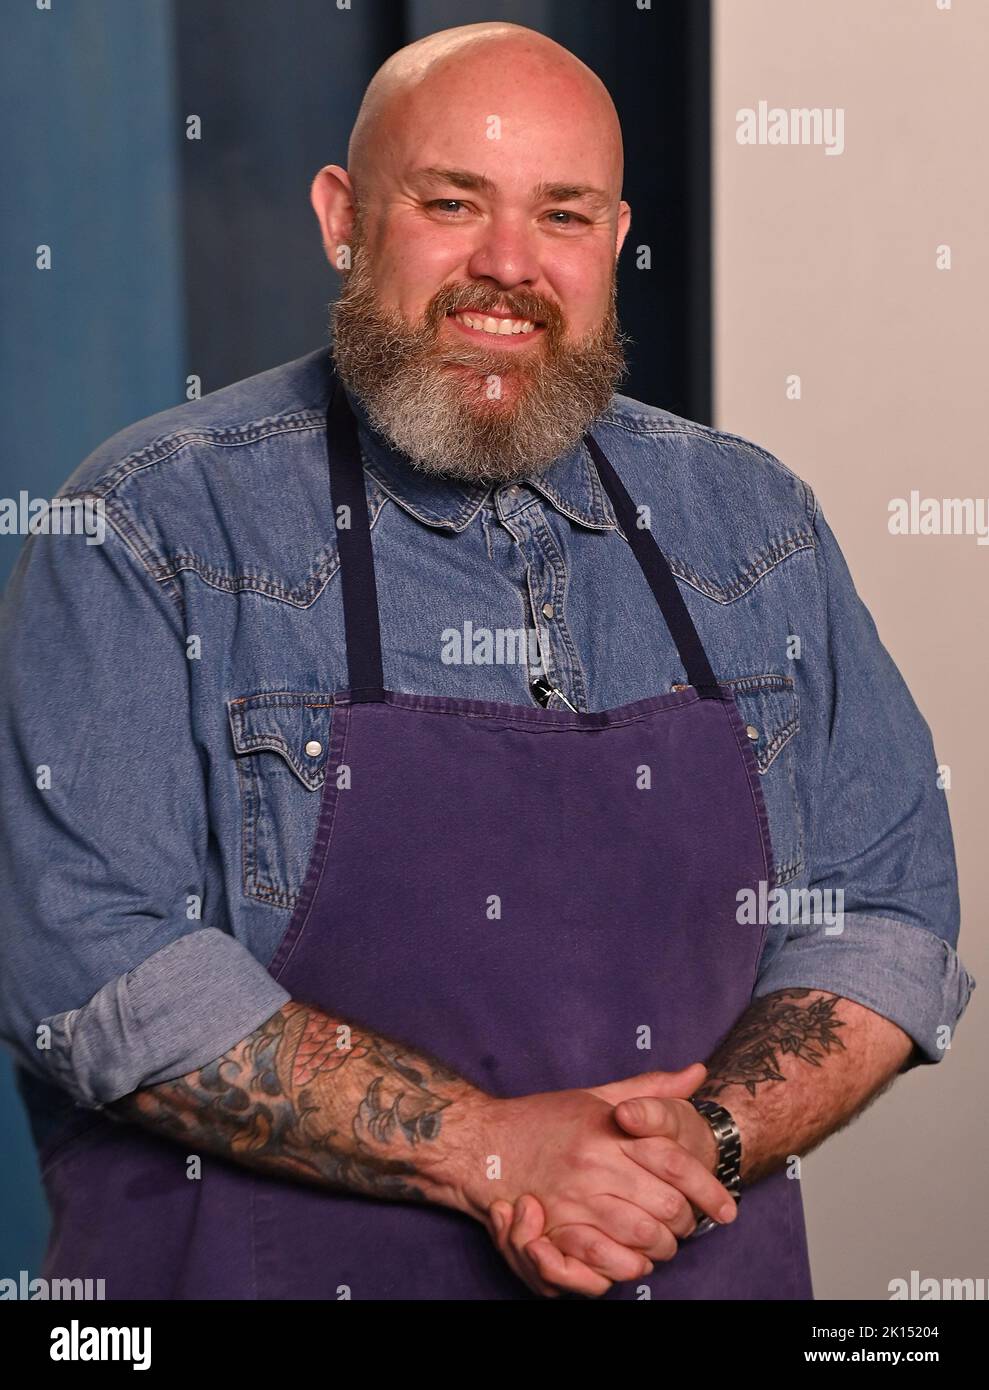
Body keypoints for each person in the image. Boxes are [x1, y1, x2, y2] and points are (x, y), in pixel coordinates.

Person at [0, 21, 974, 1300]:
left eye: (560, 216)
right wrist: (490, 1151)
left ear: (615, 238)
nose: (505, 267)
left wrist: (699, 1141)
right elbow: (87, 960)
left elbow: (885, 912)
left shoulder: (754, 527)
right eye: (451, 202)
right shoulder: (150, 527)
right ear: (342, 217)